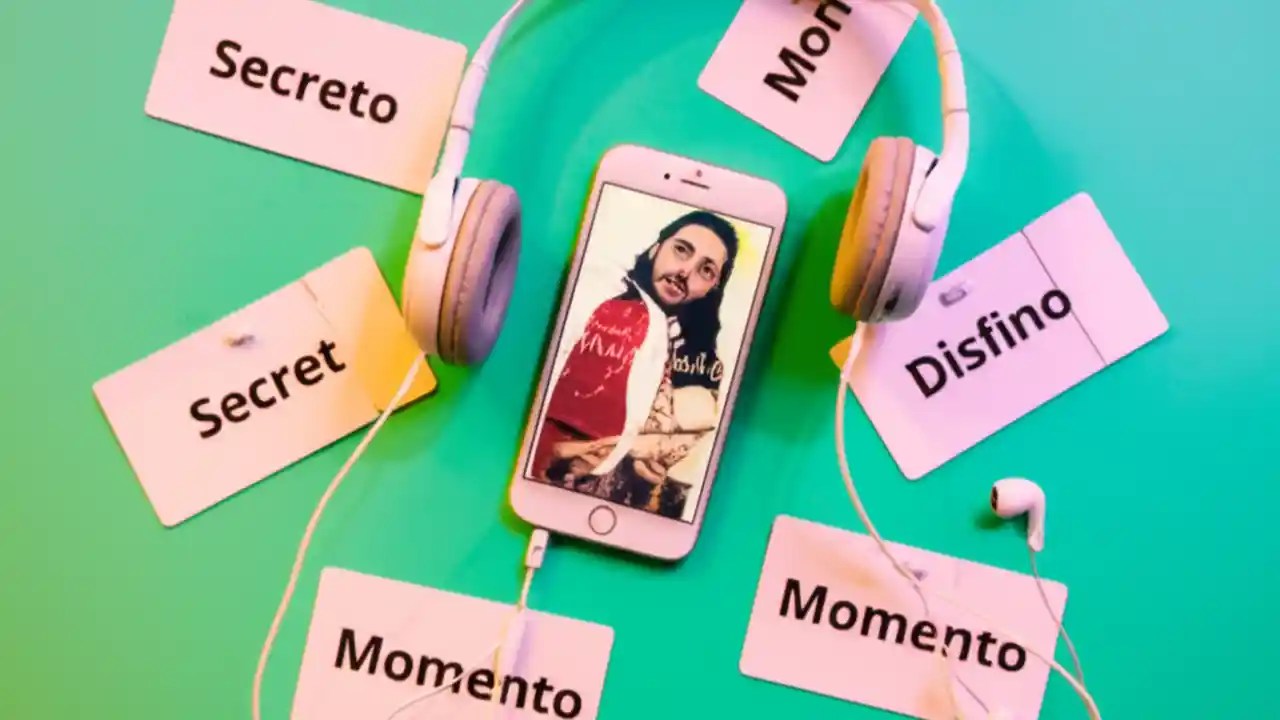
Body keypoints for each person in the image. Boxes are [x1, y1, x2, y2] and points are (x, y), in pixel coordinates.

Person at [528, 210, 739, 519]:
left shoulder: (698, 361)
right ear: (656, 248)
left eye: (705, 270)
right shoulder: (603, 292)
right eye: (681, 250)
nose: (685, 272)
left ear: (713, 288)